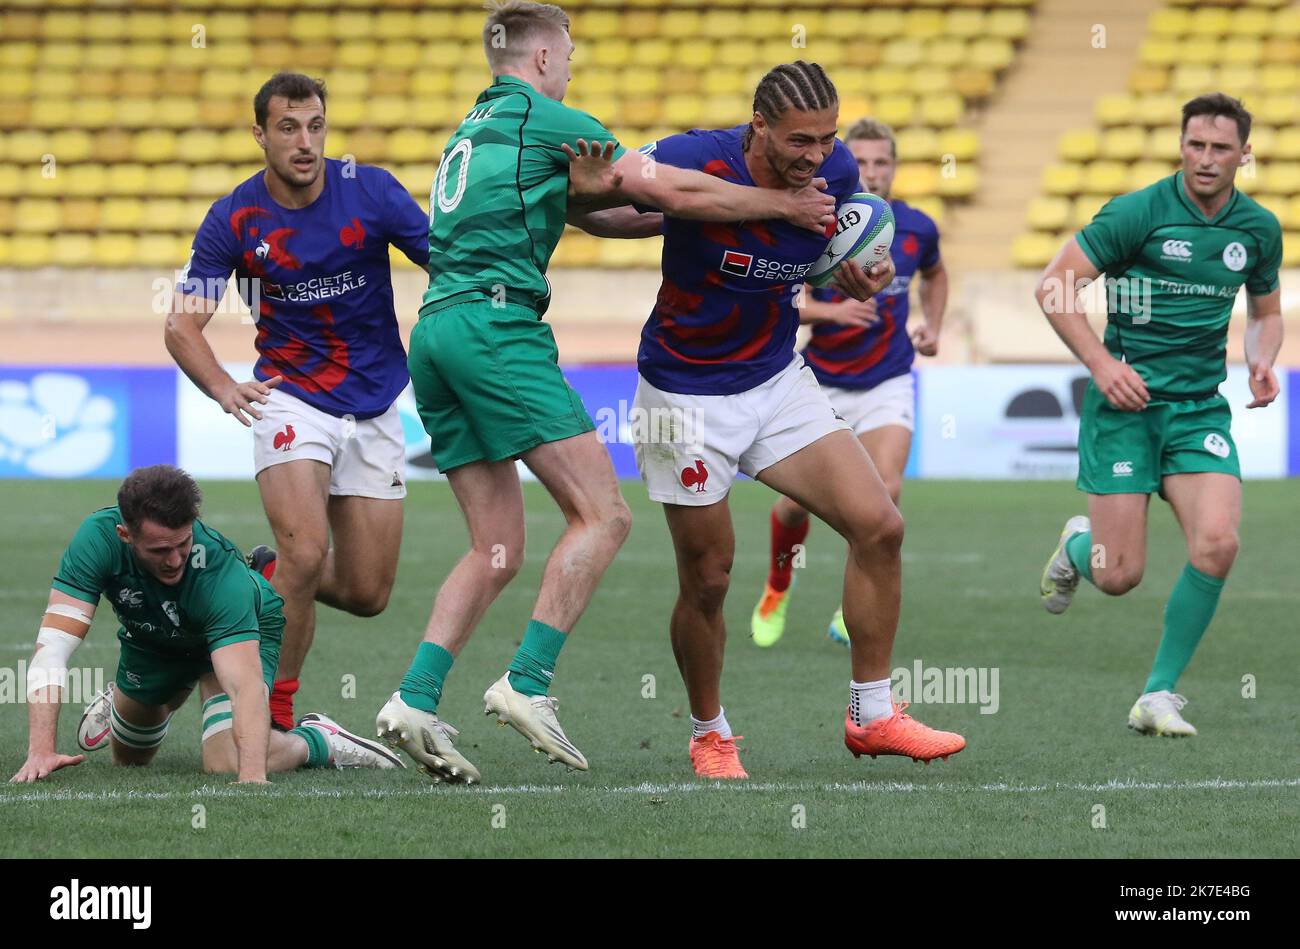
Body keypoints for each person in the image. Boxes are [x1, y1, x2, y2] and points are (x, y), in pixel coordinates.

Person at [374, 0, 838, 784]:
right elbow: (674, 191)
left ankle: (414, 699)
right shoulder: (548, 118)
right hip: (497, 326)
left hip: (435, 329)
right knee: (604, 513)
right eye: (571, 52)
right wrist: (783, 206)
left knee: (495, 547)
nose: (573, 65)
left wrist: (635, 209)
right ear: (547, 56)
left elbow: (628, 211)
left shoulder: (472, 130)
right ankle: (526, 681)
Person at [629, 61, 967, 779]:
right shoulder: (695, 155)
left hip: (777, 380)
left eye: (826, 139)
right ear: (758, 127)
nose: (817, 156)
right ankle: (709, 731)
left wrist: (848, 270)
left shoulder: (838, 170)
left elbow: (821, 255)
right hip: (683, 395)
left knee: (880, 525)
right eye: (798, 141)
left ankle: (872, 714)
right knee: (710, 579)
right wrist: (770, 207)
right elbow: (616, 194)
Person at [164, 72, 432, 731]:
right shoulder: (236, 216)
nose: (304, 141)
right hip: (291, 401)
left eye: (315, 125)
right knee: (308, 554)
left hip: (372, 406)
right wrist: (226, 387)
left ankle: (259, 569)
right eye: (288, 127)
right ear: (261, 134)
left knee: (368, 593)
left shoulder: (371, 191)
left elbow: (447, 263)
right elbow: (180, 325)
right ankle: (274, 710)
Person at [1035, 93, 1283, 737]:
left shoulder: (1257, 229)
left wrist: (1262, 360)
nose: (1205, 159)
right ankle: (1077, 545)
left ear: (1244, 154)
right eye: (1195, 144)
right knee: (1118, 577)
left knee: (1219, 543)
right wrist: (1100, 364)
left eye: (1221, 148)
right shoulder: (1137, 213)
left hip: (1199, 409)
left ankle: (1157, 694)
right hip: (1126, 408)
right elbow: (1056, 285)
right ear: (1181, 145)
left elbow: (1266, 311)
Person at [10, 465, 400, 785]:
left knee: (226, 761)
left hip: (231, 637)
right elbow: (53, 648)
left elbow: (245, 684)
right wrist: (41, 749)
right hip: (155, 635)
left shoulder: (219, 575)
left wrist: (252, 777)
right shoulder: (95, 541)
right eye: (160, 550)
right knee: (130, 758)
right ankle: (126, 699)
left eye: (182, 544)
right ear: (125, 535)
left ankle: (317, 740)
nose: (175, 559)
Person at [752, 117, 948, 647]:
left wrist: (933, 323)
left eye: (883, 161)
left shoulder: (917, 227)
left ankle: (851, 606)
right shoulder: (815, 220)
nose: (874, 171)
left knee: (885, 492)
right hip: (821, 381)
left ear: (895, 167)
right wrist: (831, 315)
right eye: (862, 161)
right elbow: (782, 293)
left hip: (888, 379)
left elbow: (936, 272)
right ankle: (778, 584)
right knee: (795, 506)